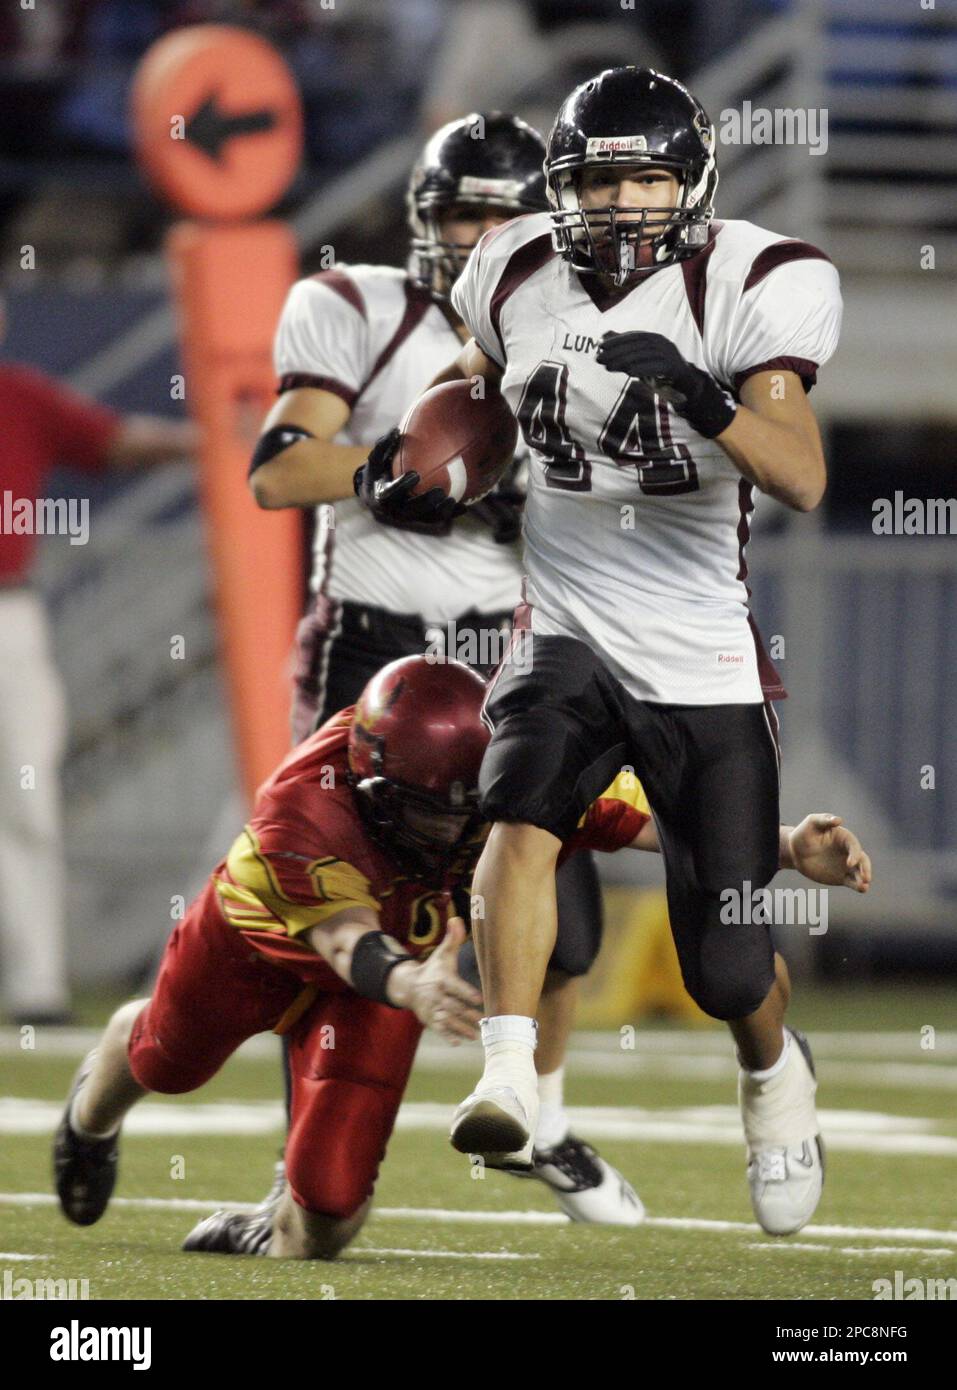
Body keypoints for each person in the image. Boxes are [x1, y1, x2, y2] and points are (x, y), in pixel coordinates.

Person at [358, 66, 844, 1236]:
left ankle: (777, 1078)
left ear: (691, 185)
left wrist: (704, 396)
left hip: (700, 652)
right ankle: (511, 1077)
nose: (621, 203)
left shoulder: (756, 278)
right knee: (517, 813)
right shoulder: (516, 263)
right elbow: (471, 380)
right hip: (564, 623)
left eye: (643, 178)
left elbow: (804, 475)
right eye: (597, 181)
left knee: (726, 968)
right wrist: (422, 461)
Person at [53, 655, 871, 1258]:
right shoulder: (304, 814)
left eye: (472, 808)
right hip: (261, 946)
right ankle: (90, 1118)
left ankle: (261, 1228)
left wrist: (789, 847)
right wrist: (411, 982)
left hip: (387, 978)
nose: (460, 828)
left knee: (327, 1220)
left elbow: (646, 824)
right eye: (435, 812)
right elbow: (342, 936)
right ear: (375, 785)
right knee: (168, 1060)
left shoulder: (486, 782)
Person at [239, 111, 626, 1222]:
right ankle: (294, 1178)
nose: (483, 232)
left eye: (507, 213)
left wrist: (543, 494)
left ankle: (536, 1117)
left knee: (566, 925)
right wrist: (410, 472)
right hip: (374, 654)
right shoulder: (352, 302)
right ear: (426, 217)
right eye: (465, 210)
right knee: (334, 912)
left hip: (506, 649)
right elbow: (279, 469)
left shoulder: (576, 324)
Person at [0, 296, 196, 1023]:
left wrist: (213, 440)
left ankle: (36, 989)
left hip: (8, 614)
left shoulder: (18, 395)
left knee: (27, 807)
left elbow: (115, 440)